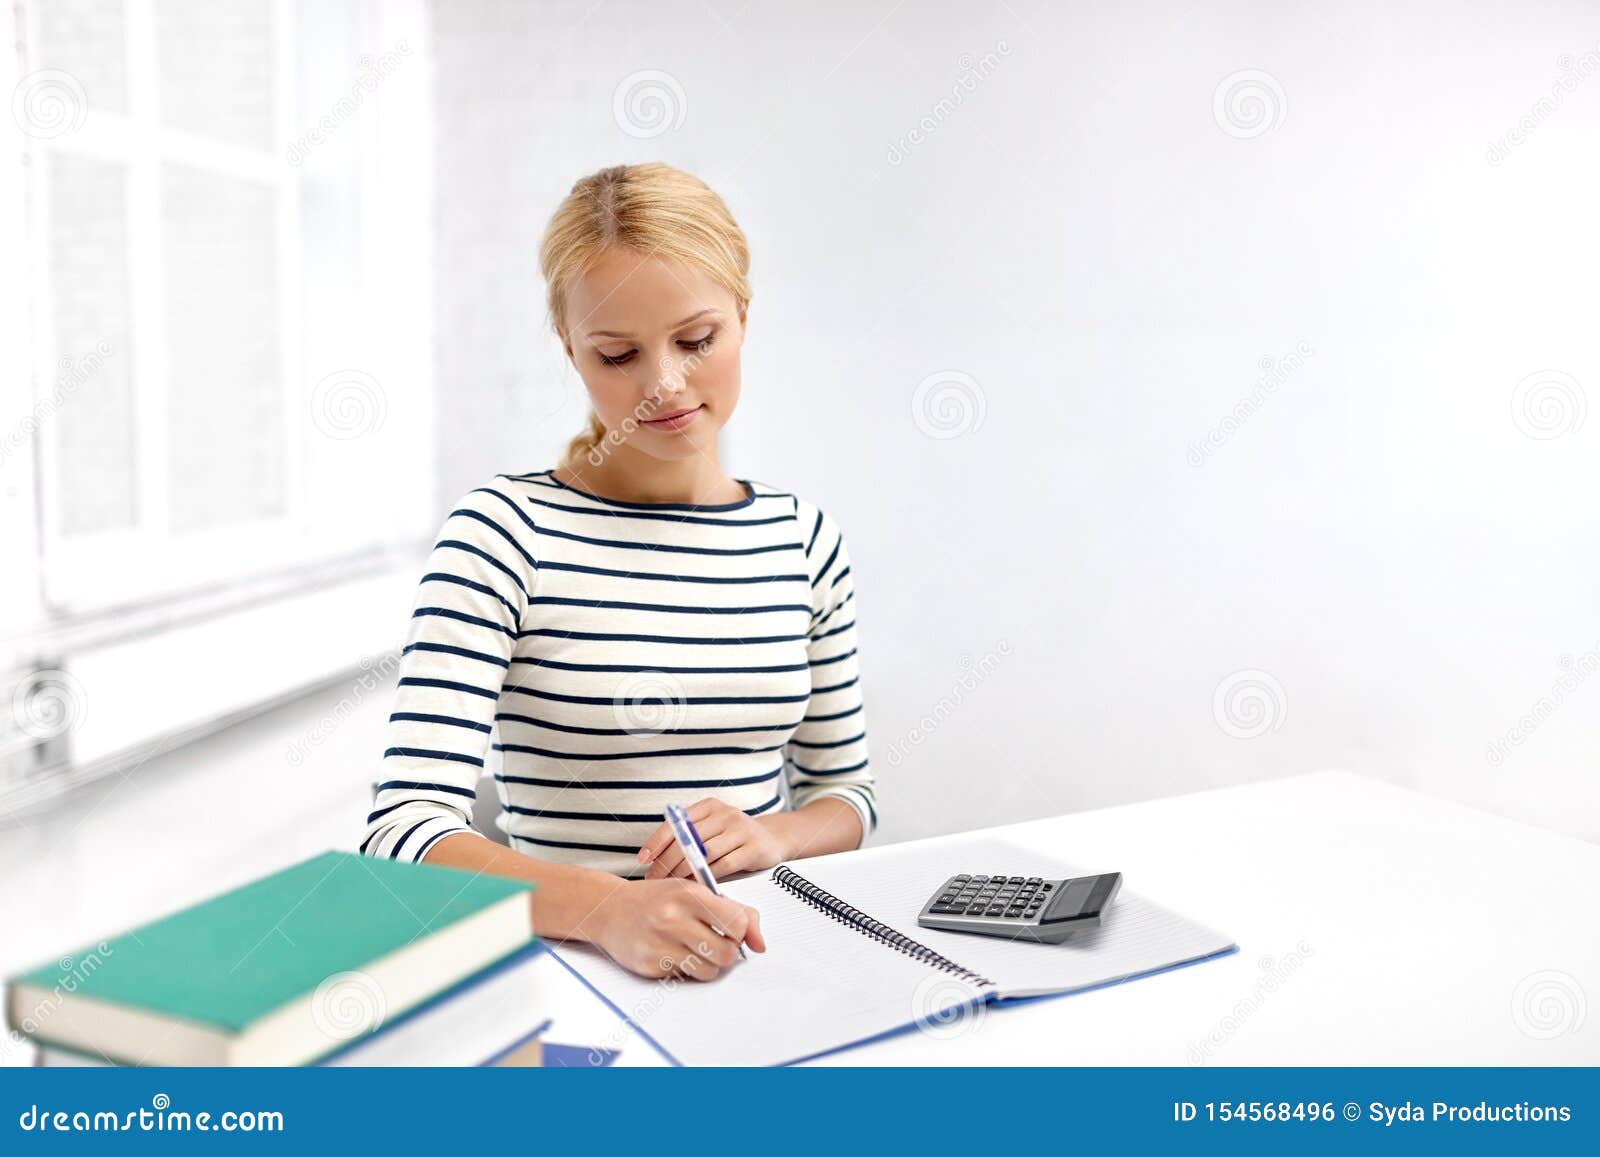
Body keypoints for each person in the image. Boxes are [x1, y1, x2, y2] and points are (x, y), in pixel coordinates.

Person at [360, 162, 876, 982]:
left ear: (744, 317)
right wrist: (608, 908)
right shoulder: (503, 534)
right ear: (572, 351)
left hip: (766, 967)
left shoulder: (802, 539)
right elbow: (402, 831)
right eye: (617, 353)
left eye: (697, 340)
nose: (663, 383)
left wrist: (774, 833)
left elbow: (848, 796)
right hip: (581, 981)